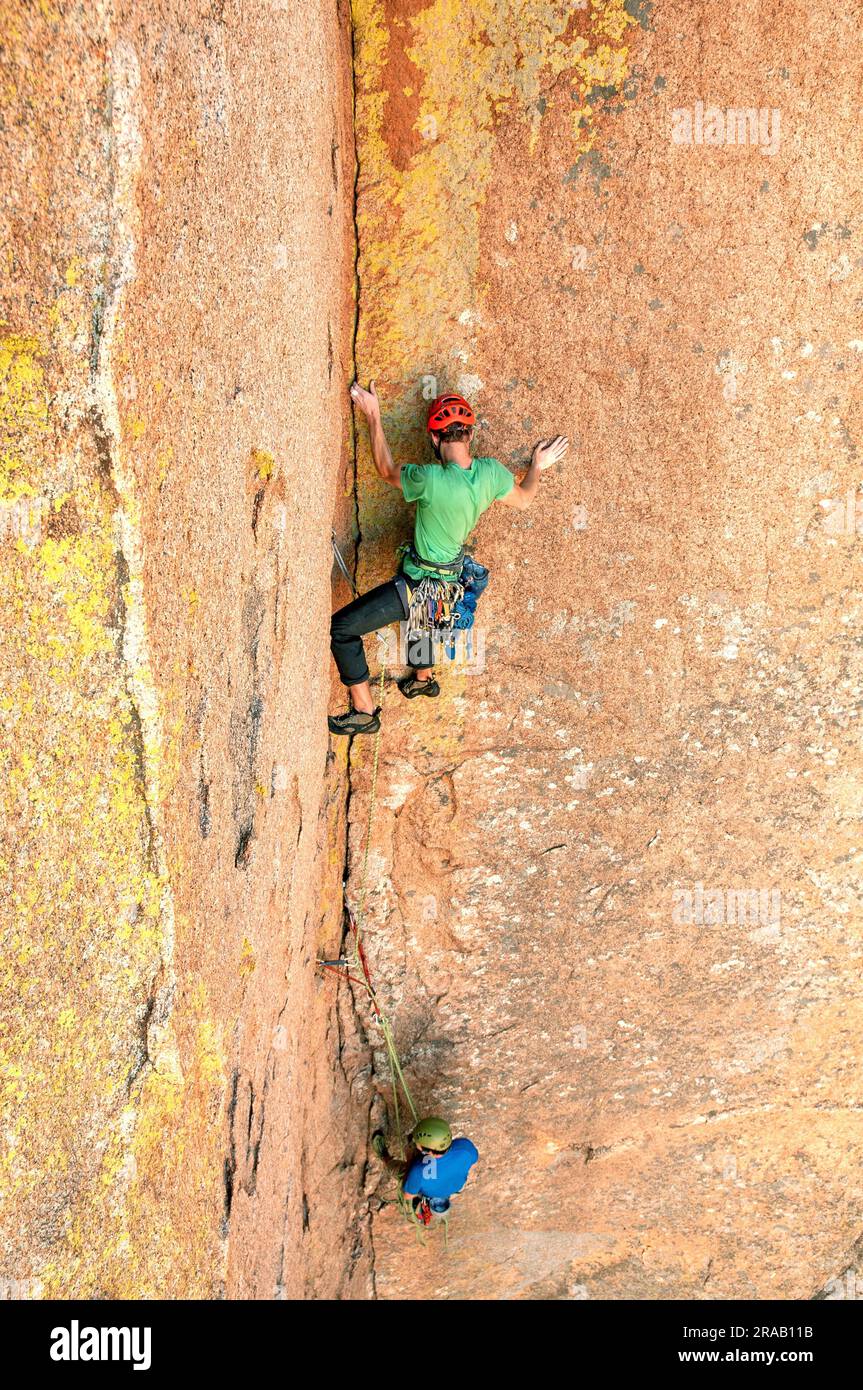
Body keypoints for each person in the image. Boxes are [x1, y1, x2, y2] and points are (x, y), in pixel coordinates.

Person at [328, 382, 569, 734]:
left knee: (343, 629)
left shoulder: (430, 479)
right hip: (448, 585)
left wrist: (374, 414)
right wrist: (538, 465)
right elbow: (525, 498)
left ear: (435, 439)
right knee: (423, 618)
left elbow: (385, 468)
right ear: (469, 436)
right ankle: (422, 679)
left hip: (417, 584)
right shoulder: (491, 474)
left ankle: (365, 711)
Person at [372, 1116, 478, 1218]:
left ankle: (384, 1156)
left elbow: (407, 1196)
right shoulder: (465, 1147)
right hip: (452, 1186)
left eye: (417, 1143)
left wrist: (410, 1162)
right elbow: (473, 1159)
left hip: (434, 1187)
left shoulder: (418, 1170)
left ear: (428, 1151)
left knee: (399, 1170)